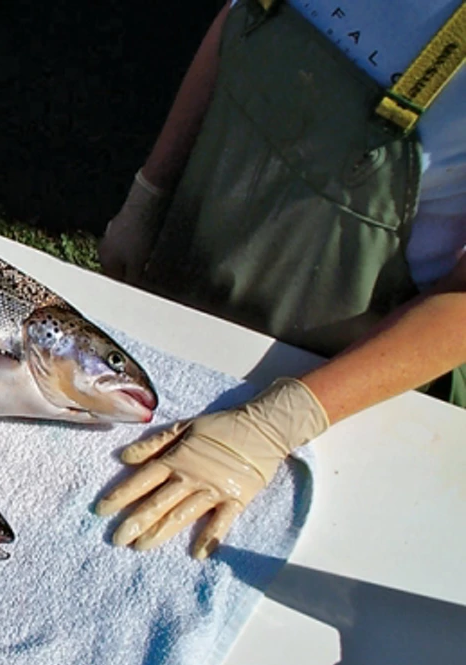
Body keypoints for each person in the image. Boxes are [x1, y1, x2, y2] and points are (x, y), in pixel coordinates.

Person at [94, 0, 466, 559]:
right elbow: (238, 23)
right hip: (184, 299)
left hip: (333, 401)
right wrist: (151, 191)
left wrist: (278, 425)